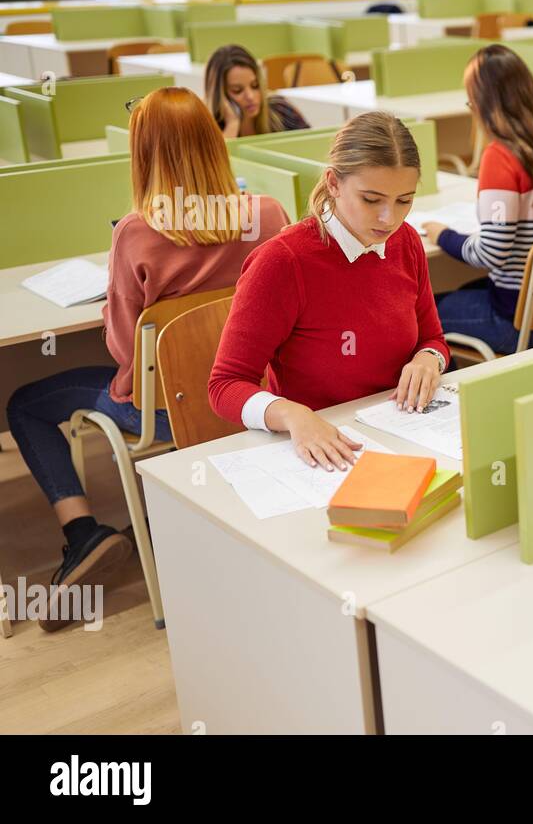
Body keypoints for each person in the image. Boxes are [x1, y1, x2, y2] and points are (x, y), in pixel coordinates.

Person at [6, 88, 290, 630]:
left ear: (142, 155)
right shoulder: (268, 214)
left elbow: (121, 347)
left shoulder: (136, 232)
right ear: (215, 142)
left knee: (23, 403)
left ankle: (83, 532)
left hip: (163, 411)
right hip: (254, 396)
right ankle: (155, 514)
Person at [209, 112, 451, 471]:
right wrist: (292, 415)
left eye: (405, 200)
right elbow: (225, 386)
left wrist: (428, 360)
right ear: (333, 184)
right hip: (323, 446)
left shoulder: (406, 242)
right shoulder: (283, 262)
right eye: (371, 199)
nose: (390, 218)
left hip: (399, 430)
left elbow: (433, 338)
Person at [420, 46, 533, 354]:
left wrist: (442, 235)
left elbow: (491, 253)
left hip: (520, 323)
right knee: (465, 291)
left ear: (483, 105)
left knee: (422, 313)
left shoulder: (502, 158)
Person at [204, 44, 310, 139]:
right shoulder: (204, 126)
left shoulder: (280, 110)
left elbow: (312, 144)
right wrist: (232, 124)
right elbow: (216, 160)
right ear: (218, 95)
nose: (250, 96)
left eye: (255, 86)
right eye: (237, 90)